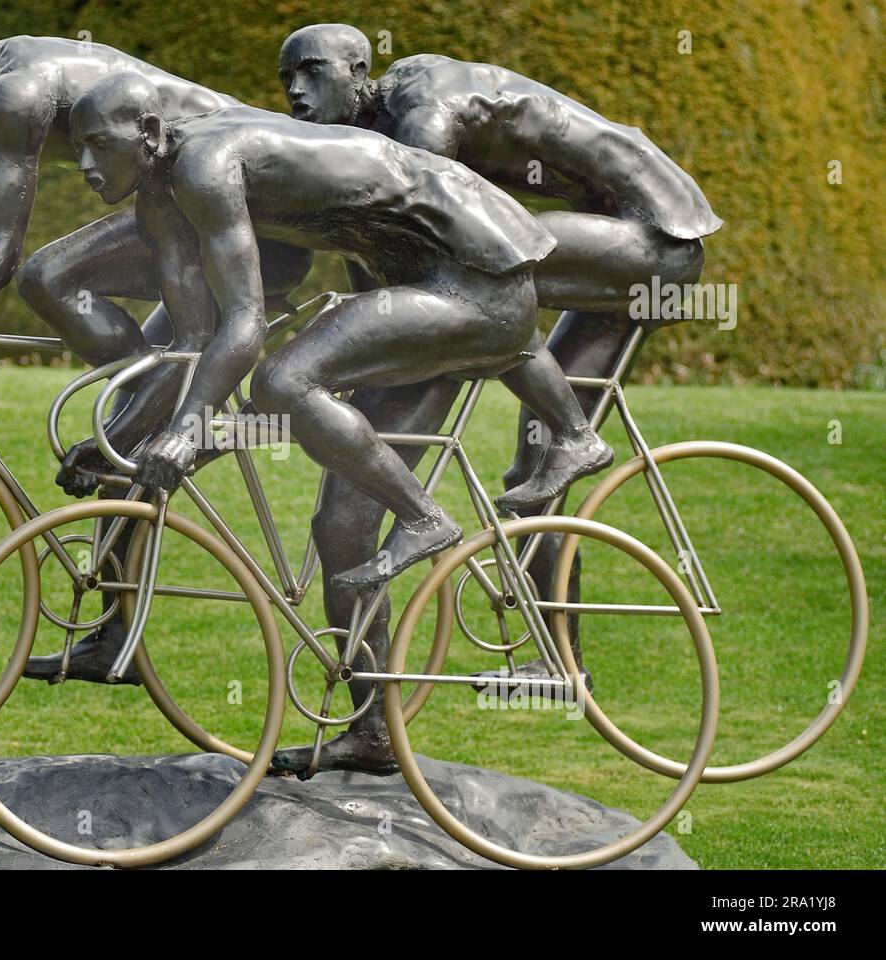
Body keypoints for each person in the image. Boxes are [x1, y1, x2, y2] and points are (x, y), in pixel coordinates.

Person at [65, 72, 616, 767]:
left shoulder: (205, 165)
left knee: (285, 379)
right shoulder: (161, 194)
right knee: (342, 526)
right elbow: (192, 346)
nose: (83, 165)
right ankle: (374, 734)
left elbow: (245, 325)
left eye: (95, 145)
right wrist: (118, 442)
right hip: (420, 286)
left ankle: (423, 518)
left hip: (481, 286)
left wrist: (192, 424)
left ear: (147, 135)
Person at [273, 24, 723, 770]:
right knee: (399, 504)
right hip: (580, 249)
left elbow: (447, 254)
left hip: (653, 242)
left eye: (312, 73)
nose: (294, 92)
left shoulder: (424, 116)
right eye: (286, 77)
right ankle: (383, 727)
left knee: (496, 276)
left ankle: (571, 442)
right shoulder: (375, 137)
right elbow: (391, 253)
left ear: (360, 71)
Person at [0, 33, 312, 683]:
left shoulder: (12, 97)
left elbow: (4, 257)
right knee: (121, 416)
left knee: (47, 275)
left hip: (235, 195)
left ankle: (158, 393)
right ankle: (116, 633)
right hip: (185, 208)